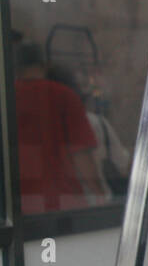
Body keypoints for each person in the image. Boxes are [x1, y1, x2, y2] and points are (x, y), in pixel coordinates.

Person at [14, 41, 111, 213]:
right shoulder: (64, 96)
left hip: (17, 207)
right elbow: (81, 155)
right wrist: (100, 195)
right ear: (46, 65)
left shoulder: (8, 97)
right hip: (63, 202)